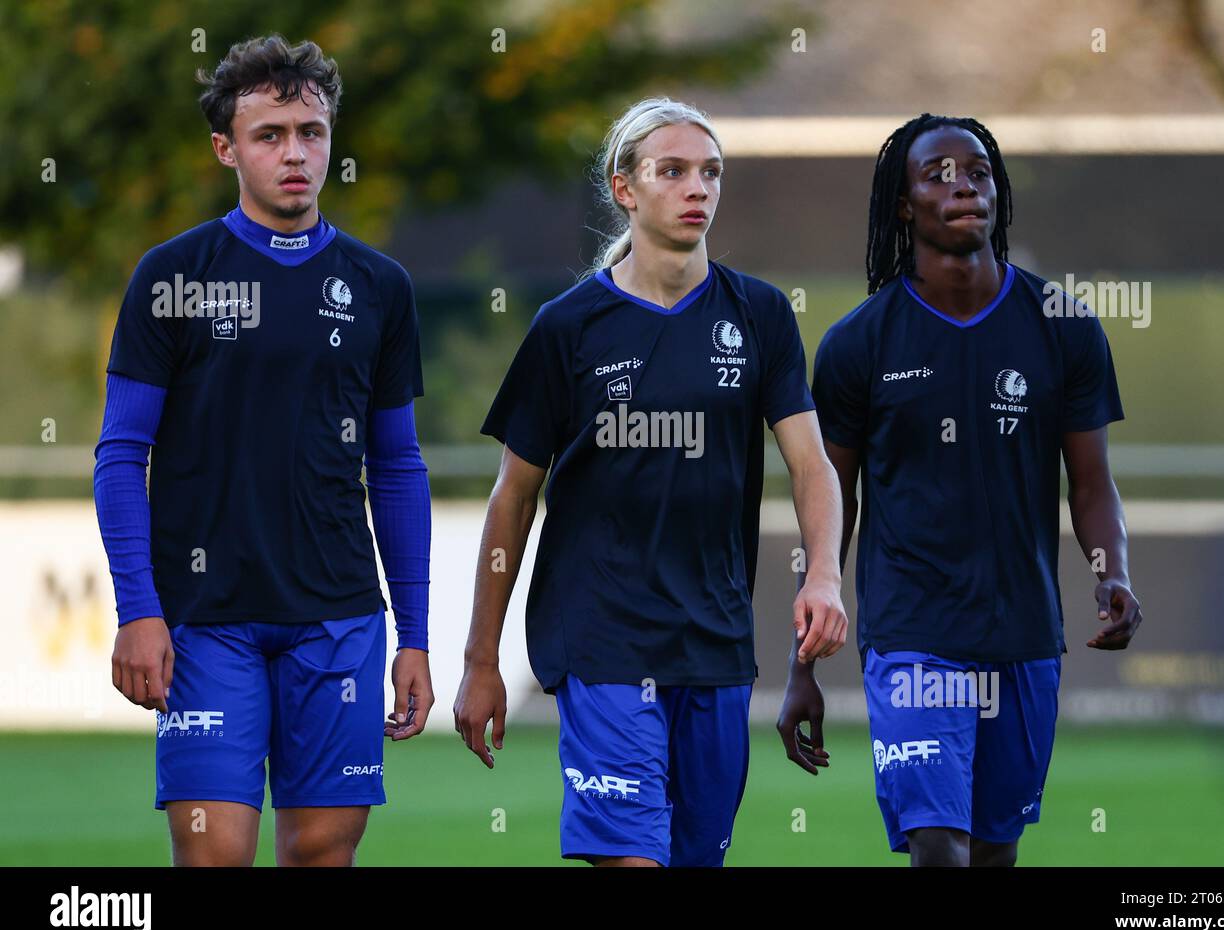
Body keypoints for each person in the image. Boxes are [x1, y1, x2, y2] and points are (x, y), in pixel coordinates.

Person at [453, 96, 847, 867]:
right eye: (673, 171)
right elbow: (513, 497)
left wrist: (825, 574)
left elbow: (812, 465)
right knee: (632, 858)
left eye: (711, 172)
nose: (697, 188)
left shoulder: (760, 315)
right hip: (600, 638)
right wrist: (480, 660)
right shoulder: (568, 327)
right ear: (624, 188)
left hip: (716, 642)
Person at [93, 34, 432, 866]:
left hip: (340, 617)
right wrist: (138, 610)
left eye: (311, 133)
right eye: (269, 135)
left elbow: (396, 466)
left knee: (322, 853)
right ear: (226, 148)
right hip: (207, 620)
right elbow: (120, 454)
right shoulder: (172, 275)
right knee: (213, 854)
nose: (295, 153)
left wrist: (415, 634)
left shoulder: (380, 286)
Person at [779, 113, 1142, 866]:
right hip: (912, 636)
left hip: (1024, 635)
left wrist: (1113, 572)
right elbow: (828, 504)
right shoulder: (858, 343)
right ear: (904, 205)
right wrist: (802, 662)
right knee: (938, 846)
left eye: (978, 173)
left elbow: (1091, 482)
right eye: (939, 175)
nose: (965, 187)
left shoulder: (1064, 327)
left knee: (990, 854)